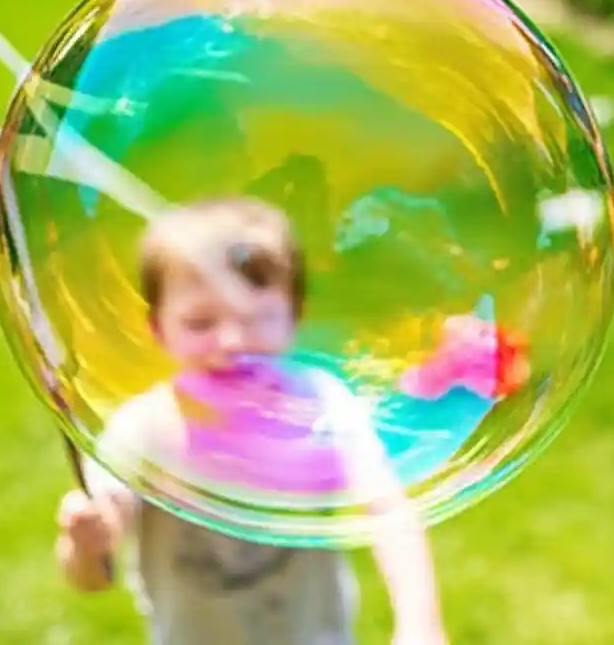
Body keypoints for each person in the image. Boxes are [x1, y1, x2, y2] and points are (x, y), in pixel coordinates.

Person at [54, 197, 448, 645]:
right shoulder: (146, 429)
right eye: (200, 323)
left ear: (294, 315)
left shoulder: (320, 404)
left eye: (257, 318)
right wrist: (85, 544)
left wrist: (420, 625)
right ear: (158, 328)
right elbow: (91, 575)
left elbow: (388, 512)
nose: (232, 340)